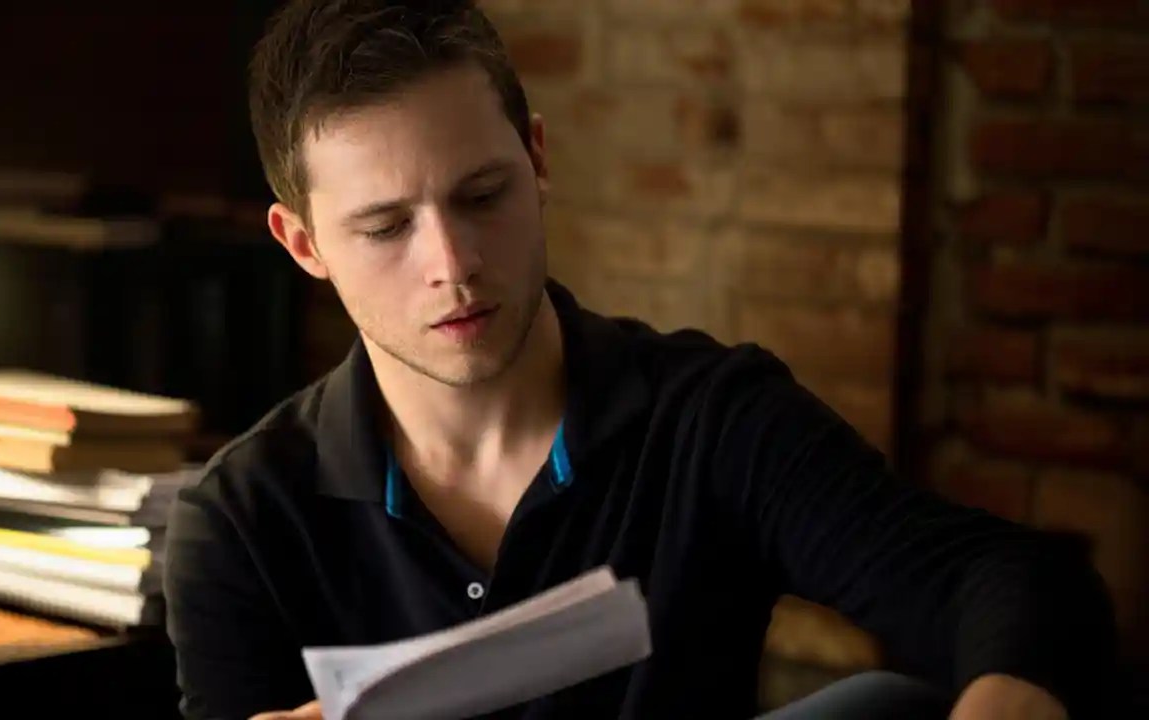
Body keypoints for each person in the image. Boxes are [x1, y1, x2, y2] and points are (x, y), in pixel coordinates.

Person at [163, 1, 1123, 718]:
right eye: (384, 228)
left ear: (538, 161)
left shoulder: (710, 419)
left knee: (881, 705)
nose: (452, 267)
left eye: (484, 195)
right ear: (304, 245)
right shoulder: (241, 518)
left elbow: (1009, 580)